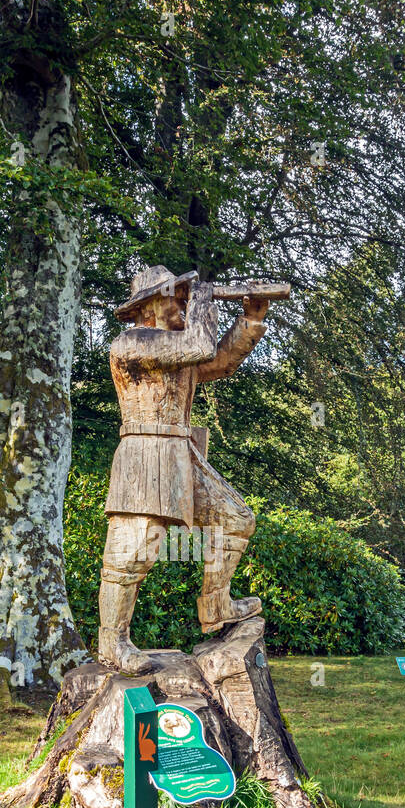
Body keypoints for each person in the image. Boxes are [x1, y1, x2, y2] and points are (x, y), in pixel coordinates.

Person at [98, 264, 272, 672]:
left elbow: (220, 360)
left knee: (235, 519)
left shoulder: (179, 349)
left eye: (185, 294)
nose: (183, 300)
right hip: (143, 455)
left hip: (181, 453)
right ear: (151, 303)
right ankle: (113, 642)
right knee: (132, 553)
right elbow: (198, 346)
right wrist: (207, 300)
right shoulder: (132, 343)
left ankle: (217, 604)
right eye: (177, 294)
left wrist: (251, 318)